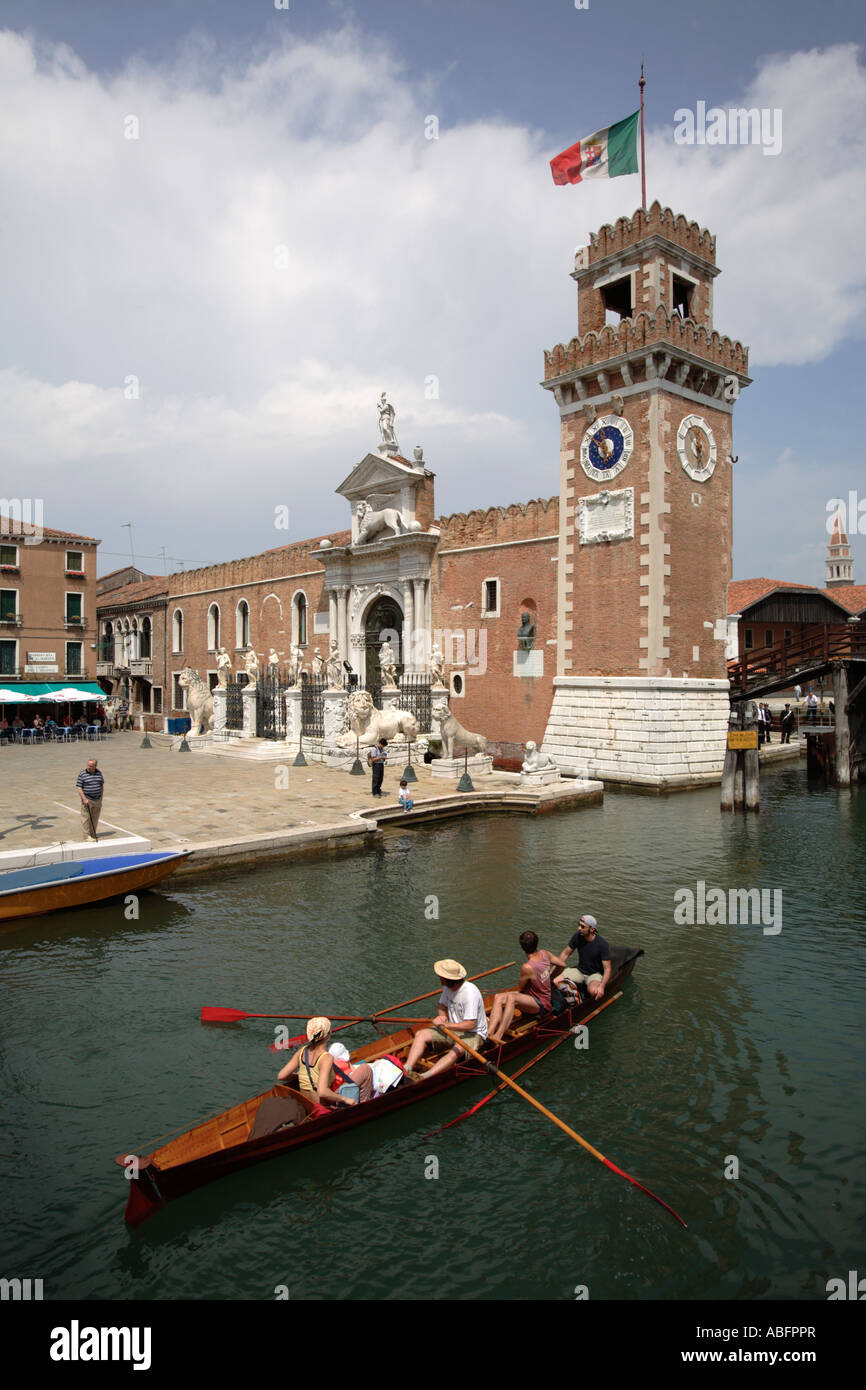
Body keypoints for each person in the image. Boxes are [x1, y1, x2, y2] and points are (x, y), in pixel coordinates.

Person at [404, 959, 489, 1081]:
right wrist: (442, 1016)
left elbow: (470, 1024)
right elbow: (442, 1005)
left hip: (474, 1034)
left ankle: (425, 1077)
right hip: (452, 1028)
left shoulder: (470, 992)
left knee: (458, 1049)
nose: (439, 978)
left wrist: (447, 1025)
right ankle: (406, 1069)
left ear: (448, 979)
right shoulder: (447, 988)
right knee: (420, 1034)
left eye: (441, 977)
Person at [487, 930, 568, 1046]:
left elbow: (520, 987)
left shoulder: (527, 967)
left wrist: (547, 979)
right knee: (498, 997)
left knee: (511, 997)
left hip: (541, 1005)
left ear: (522, 947)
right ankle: (488, 1034)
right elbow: (562, 965)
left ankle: (498, 1036)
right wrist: (550, 978)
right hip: (534, 999)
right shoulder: (545, 953)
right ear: (537, 944)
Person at [276, 1018, 366, 1110]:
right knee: (365, 1069)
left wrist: (301, 1076)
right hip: (321, 1104)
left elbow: (281, 1076)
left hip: (306, 1101)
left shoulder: (302, 1051)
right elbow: (322, 1092)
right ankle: (364, 1104)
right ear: (327, 1035)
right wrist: (346, 1099)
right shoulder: (326, 1058)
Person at [557, 914, 612, 1001]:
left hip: (594, 974)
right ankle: (574, 994)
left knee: (594, 991)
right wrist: (554, 971)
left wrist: (602, 987)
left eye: (582, 926)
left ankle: (578, 994)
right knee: (555, 980)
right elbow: (565, 954)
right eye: (579, 925)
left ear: (592, 929)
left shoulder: (602, 944)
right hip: (579, 971)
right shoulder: (577, 936)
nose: (579, 928)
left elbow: (607, 969)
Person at [76, 758, 104, 840]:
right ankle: (87, 836)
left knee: (95, 818)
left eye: (91, 766)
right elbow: (79, 787)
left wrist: (101, 797)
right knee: (86, 818)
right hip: (87, 799)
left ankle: (93, 833)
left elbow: (101, 785)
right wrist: (84, 799)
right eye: (88, 765)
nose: (88, 767)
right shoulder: (82, 774)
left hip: (97, 799)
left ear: (95, 766)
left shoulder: (99, 773)